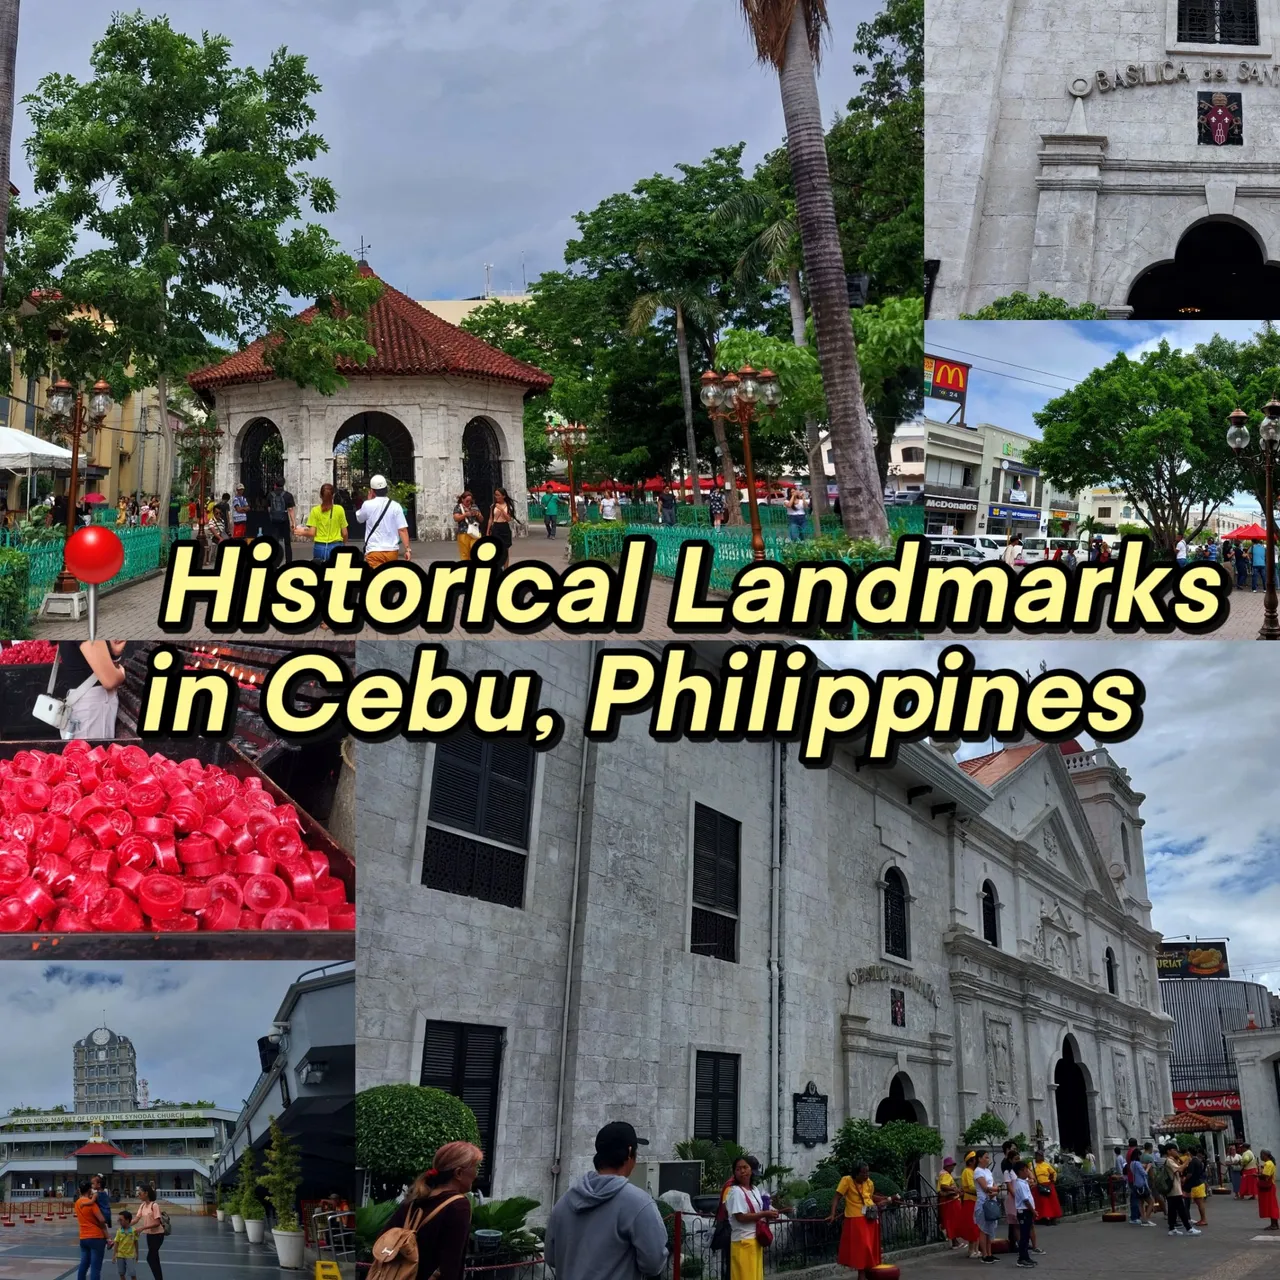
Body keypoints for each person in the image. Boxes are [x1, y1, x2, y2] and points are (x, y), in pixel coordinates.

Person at [544, 1121, 667, 1280]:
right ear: (630, 1153)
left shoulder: (564, 1202)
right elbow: (654, 1263)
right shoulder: (639, 1204)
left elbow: (551, 1258)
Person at [377, 1142, 479, 1280]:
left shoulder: (415, 1199)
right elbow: (451, 1263)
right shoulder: (458, 1205)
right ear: (459, 1173)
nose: (476, 1174)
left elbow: (383, 1239)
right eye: (475, 1167)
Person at [53, 641, 132, 740]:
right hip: (92, 710)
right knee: (91, 753)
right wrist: (122, 673)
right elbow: (110, 680)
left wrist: (115, 654)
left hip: (85, 704)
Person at [721, 1154, 776, 1280]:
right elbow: (740, 1217)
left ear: (751, 1170)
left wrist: (772, 1212)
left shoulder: (754, 1189)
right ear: (734, 1173)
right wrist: (764, 1214)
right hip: (743, 1242)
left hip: (755, 1241)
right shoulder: (735, 1191)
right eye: (738, 1169)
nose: (742, 1171)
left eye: (745, 1167)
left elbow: (759, 1209)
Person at [829, 1162, 885, 1278]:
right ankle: (862, 1273)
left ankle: (867, 1273)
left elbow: (870, 1197)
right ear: (856, 1173)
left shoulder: (869, 1183)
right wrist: (832, 1214)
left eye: (867, 1172)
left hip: (870, 1218)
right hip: (855, 1219)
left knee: (870, 1248)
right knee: (863, 1248)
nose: (866, 1175)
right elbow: (837, 1197)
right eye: (863, 1173)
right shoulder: (847, 1181)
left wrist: (887, 1198)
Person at [356, 475, 411, 568]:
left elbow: (359, 519)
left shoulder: (367, 505)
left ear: (372, 491)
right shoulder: (396, 506)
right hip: (391, 551)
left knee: (375, 579)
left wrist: (368, 501)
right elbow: (402, 530)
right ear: (386, 489)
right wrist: (407, 549)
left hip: (374, 551)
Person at [296, 483, 349, 564]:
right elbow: (345, 533)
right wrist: (343, 544)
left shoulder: (315, 510)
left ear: (320, 496)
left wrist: (301, 532)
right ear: (333, 495)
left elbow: (312, 532)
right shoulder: (340, 510)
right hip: (336, 546)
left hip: (320, 547)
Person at [1161, 1144, 1198, 1235]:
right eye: (1174, 1150)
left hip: (1174, 1188)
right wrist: (1187, 1161)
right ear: (1168, 1151)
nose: (1176, 1152)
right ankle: (1188, 1228)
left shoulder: (1173, 1160)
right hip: (1174, 1188)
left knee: (1172, 1209)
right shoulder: (1169, 1161)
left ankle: (1172, 1228)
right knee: (1181, 1209)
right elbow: (1180, 1169)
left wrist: (1180, 1160)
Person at [75, 1179, 108, 1280]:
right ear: (90, 1190)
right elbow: (102, 1219)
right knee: (95, 1268)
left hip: (83, 1237)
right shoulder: (91, 1204)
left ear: (80, 1191)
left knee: (83, 1265)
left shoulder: (77, 1202)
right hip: (96, 1237)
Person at [974, 1149, 1001, 1263]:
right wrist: (995, 1189)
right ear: (979, 1159)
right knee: (983, 1229)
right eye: (985, 1157)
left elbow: (993, 1184)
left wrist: (995, 1190)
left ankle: (990, 1252)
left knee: (990, 1229)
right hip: (983, 1201)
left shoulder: (988, 1171)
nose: (987, 1159)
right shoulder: (978, 1171)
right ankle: (984, 1254)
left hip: (991, 1199)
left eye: (988, 1157)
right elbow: (985, 1188)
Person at [132, 1187, 164, 1280]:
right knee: (155, 1258)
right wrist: (126, 1224)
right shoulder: (142, 1206)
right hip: (149, 1235)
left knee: (150, 1258)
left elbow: (157, 1223)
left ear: (146, 1193)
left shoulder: (154, 1205)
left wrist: (142, 1228)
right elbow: (137, 1219)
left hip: (158, 1235)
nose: (139, 1195)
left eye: (140, 1193)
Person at [1012, 1160, 1037, 1268]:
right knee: (1024, 1236)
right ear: (1020, 1171)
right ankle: (1021, 1258)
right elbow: (1025, 1200)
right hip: (1024, 1211)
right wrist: (1033, 1211)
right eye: (1026, 1170)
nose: (1028, 1172)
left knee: (1026, 1235)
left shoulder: (1024, 1182)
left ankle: (1026, 1257)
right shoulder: (1019, 1184)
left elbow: (1033, 1179)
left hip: (1027, 1211)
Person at [959, 1151, 982, 1258]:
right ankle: (971, 1250)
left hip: (975, 1200)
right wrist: (983, 1188)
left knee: (977, 1225)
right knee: (972, 1225)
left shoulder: (975, 1171)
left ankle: (976, 1249)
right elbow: (971, 1187)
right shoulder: (967, 1171)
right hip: (970, 1200)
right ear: (971, 1161)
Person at [937, 1156, 964, 1248]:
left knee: (950, 1221)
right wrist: (954, 1189)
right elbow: (944, 1186)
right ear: (947, 1166)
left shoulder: (943, 1174)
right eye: (952, 1166)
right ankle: (954, 1241)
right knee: (951, 1221)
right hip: (950, 1201)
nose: (953, 1168)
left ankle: (954, 1240)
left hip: (949, 1200)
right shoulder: (946, 1175)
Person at [266, 479, 296, 561]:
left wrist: (273, 516)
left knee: (275, 542)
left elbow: (269, 509)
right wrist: (293, 522)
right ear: (283, 484)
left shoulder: (270, 495)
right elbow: (290, 510)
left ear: (275, 484)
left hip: (274, 521)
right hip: (284, 520)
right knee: (287, 543)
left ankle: (274, 560)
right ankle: (289, 561)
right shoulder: (288, 495)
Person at [486, 486, 515, 569]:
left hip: (505, 527)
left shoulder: (508, 506)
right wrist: (488, 531)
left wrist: (502, 510)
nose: (497, 497)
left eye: (498, 495)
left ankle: (506, 569)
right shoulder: (493, 506)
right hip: (496, 527)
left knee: (505, 550)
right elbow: (490, 519)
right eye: (495, 495)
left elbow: (509, 519)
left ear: (503, 496)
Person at [1032, 1150, 1062, 1224]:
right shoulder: (1032, 1165)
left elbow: (1053, 1173)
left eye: (1041, 1155)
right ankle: (1045, 1218)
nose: (1040, 1157)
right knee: (1042, 1203)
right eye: (1038, 1155)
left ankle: (1053, 1218)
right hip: (1038, 1185)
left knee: (1052, 1202)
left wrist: (1053, 1180)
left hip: (1048, 1184)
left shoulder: (1046, 1164)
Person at [453, 491, 483, 560]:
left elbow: (481, 520)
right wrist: (465, 515)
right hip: (463, 532)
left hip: (475, 532)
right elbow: (456, 518)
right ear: (462, 499)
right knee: (464, 554)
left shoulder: (474, 506)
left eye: (470, 501)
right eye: (467, 501)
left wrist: (478, 515)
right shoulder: (458, 507)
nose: (469, 502)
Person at [111, 1210, 139, 1280]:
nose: (119, 1221)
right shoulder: (119, 1231)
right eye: (119, 1220)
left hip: (130, 1255)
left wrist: (137, 1253)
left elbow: (136, 1242)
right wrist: (114, 1254)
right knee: (121, 1273)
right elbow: (116, 1243)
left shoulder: (133, 1231)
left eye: (121, 1220)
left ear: (127, 1220)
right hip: (120, 1255)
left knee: (132, 1273)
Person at [1185, 1148, 1208, 1226]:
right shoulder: (1198, 1161)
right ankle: (1203, 1219)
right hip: (1199, 1183)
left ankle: (1203, 1219)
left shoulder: (1192, 1162)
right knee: (1199, 1203)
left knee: (1199, 1203)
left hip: (1196, 1184)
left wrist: (1185, 1179)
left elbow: (1190, 1174)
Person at [1258, 1149, 1278, 1230]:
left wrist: (1257, 1175)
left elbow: (1266, 1176)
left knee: (1270, 1206)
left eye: (1261, 1155)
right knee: (1272, 1205)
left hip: (1269, 1187)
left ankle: (1274, 1224)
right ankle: (1274, 1224)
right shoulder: (1269, 1163)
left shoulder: (1268, 1164)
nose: (1260, 1156)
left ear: (1265, 1155)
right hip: (1271, 1187)